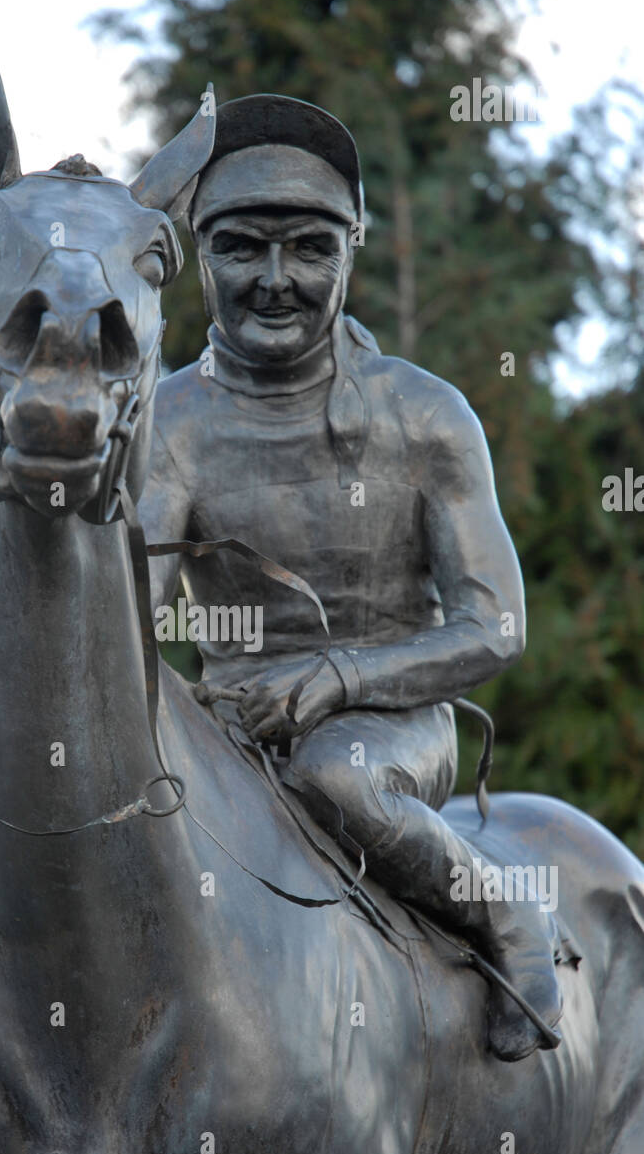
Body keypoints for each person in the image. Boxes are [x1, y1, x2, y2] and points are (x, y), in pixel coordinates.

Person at [139, 94, 562, 1062]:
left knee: (341, 773)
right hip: (232, 729)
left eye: (310, 249)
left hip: (390, 730)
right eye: (243, 248)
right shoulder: (170, 424)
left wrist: (337, 681)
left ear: (354, 245)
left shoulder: (425, 416)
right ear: (202, 255)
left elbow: (496, 625)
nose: (276, 280)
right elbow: (129, 619)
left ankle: (509, 922)